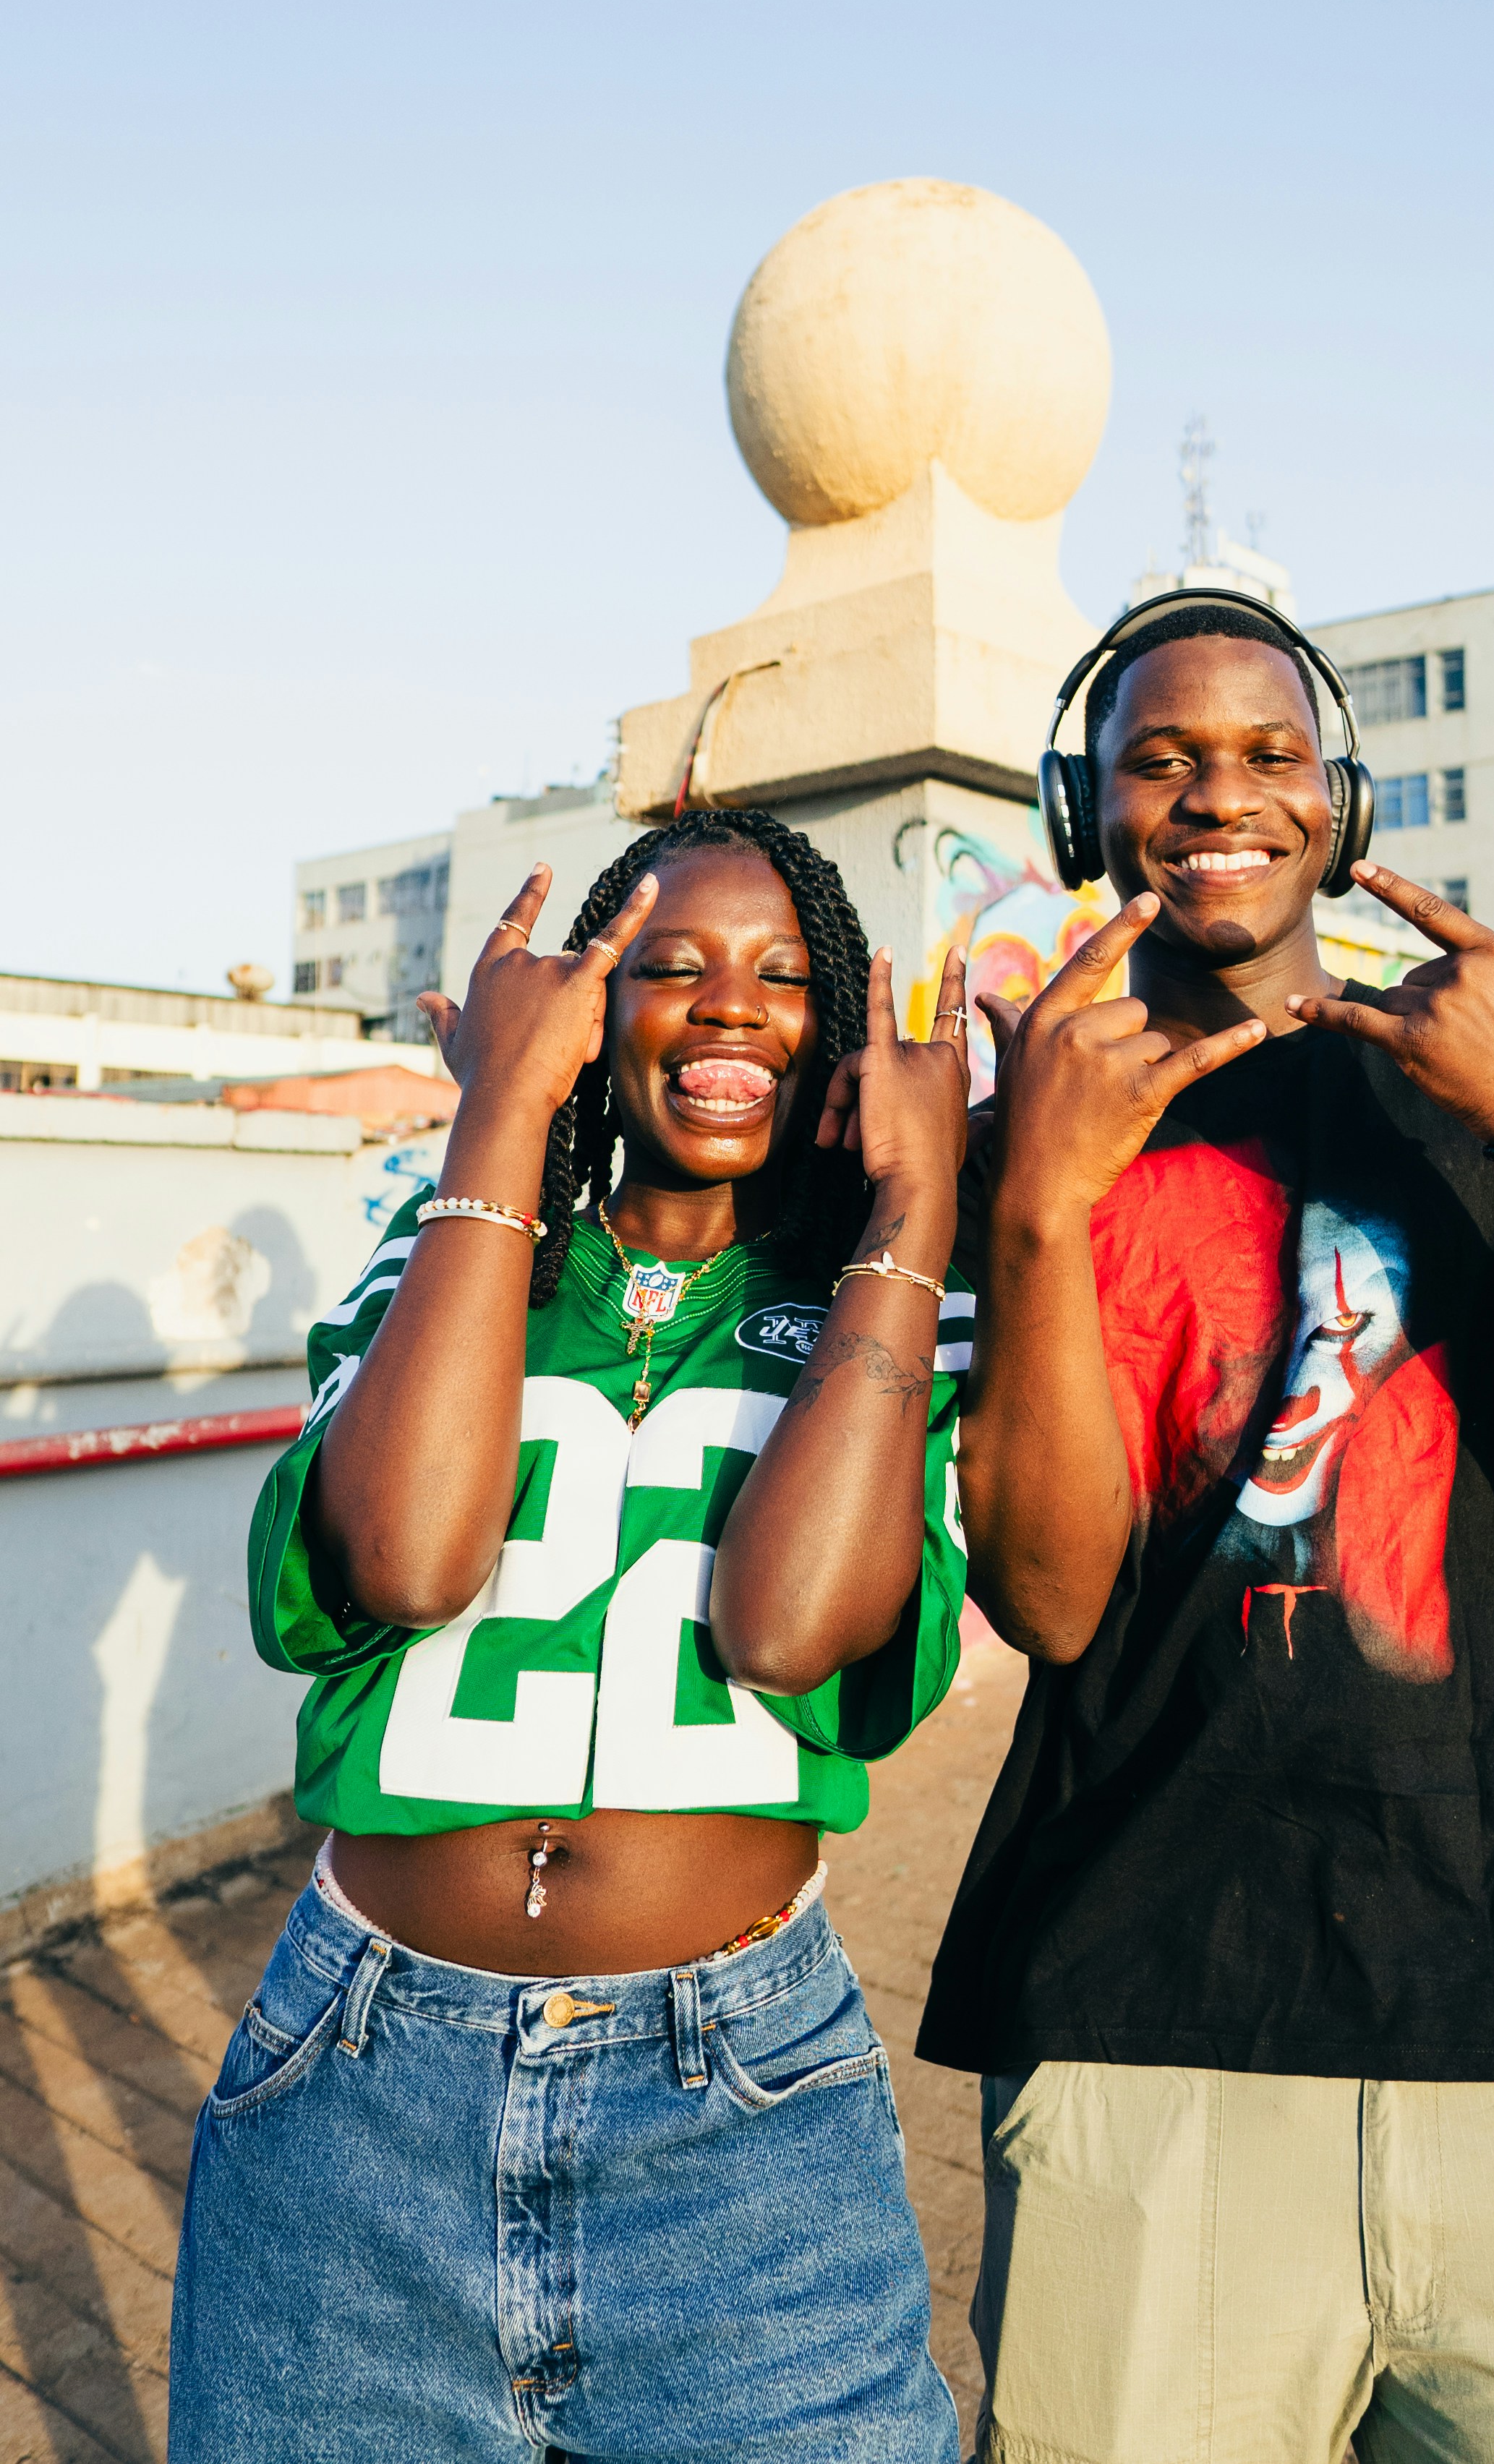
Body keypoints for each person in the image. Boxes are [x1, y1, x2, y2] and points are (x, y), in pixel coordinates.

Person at [921, 597, 1494, 2464]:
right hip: (1148, 2016)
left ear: (1341, 800)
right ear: (1086, 807)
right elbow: (1047, 1600)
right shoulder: (1045, 1124)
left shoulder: (1492, 1078)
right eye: (1161, 756)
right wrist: (1039, 1203)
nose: (1221, 791)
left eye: (1270, 754)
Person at [171, 808, 973, 2464]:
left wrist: (914, 1211)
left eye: (782, 977)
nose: (729, 1004)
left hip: (736, 2112)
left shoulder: (880, 1308)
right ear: (588, 1015)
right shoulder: (446, 1252)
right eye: (666, 966)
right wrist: (495, 1126)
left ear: (833, 1033)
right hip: (360, 2084)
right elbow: (399, 1560)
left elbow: (791, 1629)